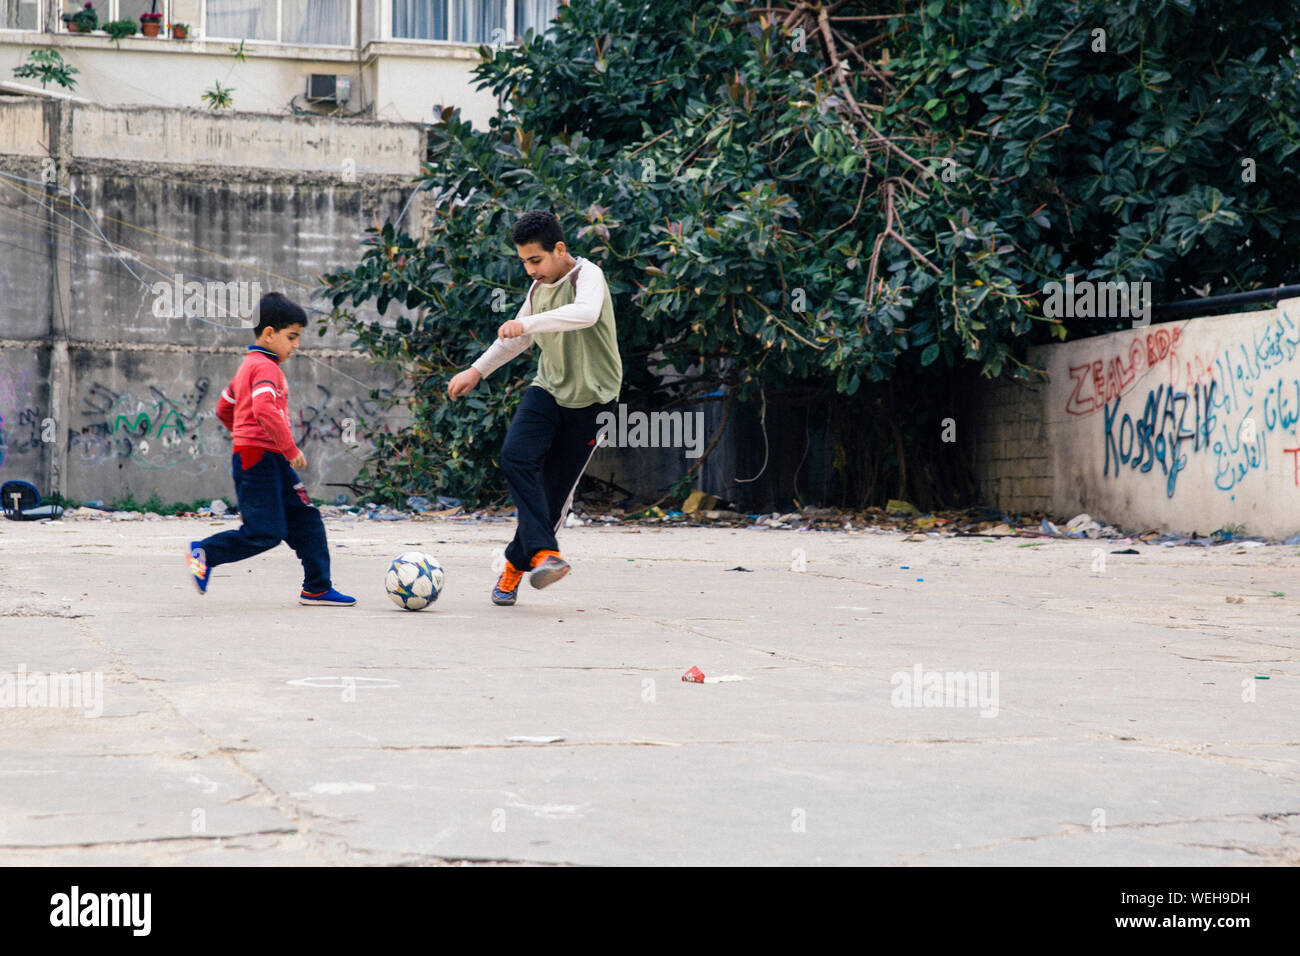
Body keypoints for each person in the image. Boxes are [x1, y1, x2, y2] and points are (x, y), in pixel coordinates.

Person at [447, 210, 622, 605]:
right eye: (524, 261)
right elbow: (515, 341)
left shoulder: (586, 276)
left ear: (559, 249)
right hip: (548, 389)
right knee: (514, 456)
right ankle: (546, 554)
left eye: (536, 260)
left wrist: (526, 325)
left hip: (594, 402)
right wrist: (476, 370)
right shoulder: (537, 289)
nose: (530, 270)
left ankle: (513, 566)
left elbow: (585, 314)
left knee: (554, 494)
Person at [187, 292, 355, 606]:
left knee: (306, 519)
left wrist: (246, 436)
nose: (296, 345)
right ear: (268, 334)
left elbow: (225, 408)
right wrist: (288, 448)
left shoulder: (246, 367)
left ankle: (317, 587)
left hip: (266, 457)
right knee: (265, 531)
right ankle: (204, 553)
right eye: (291, 337)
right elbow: (264, 408)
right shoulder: (266, 368)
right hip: (260, 459)